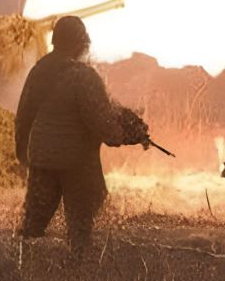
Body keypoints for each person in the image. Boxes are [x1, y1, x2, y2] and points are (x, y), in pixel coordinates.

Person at [14, 16, 146, 248]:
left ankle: (21, 271)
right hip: (76, 166)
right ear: (80, 43)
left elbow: (23, 116)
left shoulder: (39, 71)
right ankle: (77, 273)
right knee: (80, 231)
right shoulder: (83, 76)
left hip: (43, 161)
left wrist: (22, 153)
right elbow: (105, 126)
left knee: (31, 229)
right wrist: (131, 134)